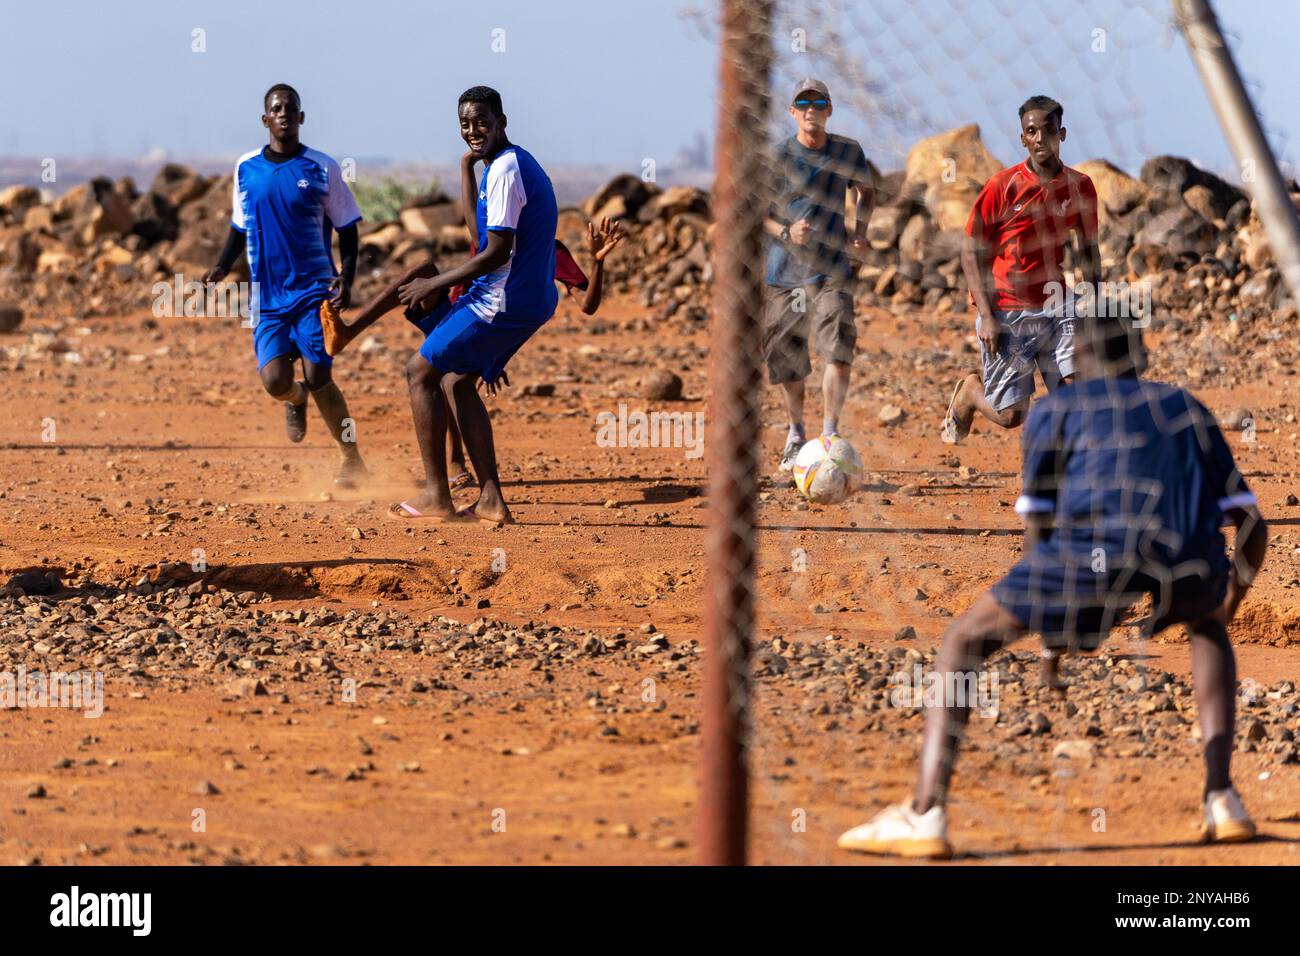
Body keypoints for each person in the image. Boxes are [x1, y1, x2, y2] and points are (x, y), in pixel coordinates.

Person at [840, 312, 1269, 858]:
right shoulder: (1184, 407)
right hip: (1184, 553)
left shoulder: (1057, 411)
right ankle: (1223, 797)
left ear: (1076, 364)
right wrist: (1229, 598)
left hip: (1088, 555)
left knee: (962, 642)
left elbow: (1039, 533)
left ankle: (925, 813)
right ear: (1140, 360)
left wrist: (1051, 629)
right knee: (1208, 630)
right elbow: (1253, 524)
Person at [321, 161, 623, 492]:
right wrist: (467, 166)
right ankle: (348, 331)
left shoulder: (549, 249)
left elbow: (587, 305)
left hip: (486, 321)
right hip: (459, 311)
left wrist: (597, 262)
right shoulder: (494, 233)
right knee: (424, 274)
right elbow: (470, 216)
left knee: (451, 380)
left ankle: (457, 468)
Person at [382, 85, 558, 526]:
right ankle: (491, 500)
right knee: (457, 382)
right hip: (530, 298)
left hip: (502, 298)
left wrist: (434, 284)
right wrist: (468, 165)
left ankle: (437, 495)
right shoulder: (510, 164)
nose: (472, 130)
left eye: (481, 121)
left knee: (419, 372)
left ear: (502, 120)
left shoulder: (504, 171)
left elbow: (496, 252)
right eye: (464, 124)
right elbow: (479, 233)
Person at [203, 83, 368, 489]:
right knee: (276, 381)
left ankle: (351, 459)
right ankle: (296, 401)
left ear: (301, 117)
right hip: (269, 297)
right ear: (264, 119)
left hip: (314, 292)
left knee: (319, 376)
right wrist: (222, 266)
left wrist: (347, 276)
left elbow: (348, 228)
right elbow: (239, 227)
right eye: (275, 109)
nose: (283, 114)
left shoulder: (322, 167)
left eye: (290, 109)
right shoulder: (246, 169)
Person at [942, 94, 1100, 445]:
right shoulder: (1002, 187)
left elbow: (1089, 251)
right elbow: (971, 253)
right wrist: (986, 315)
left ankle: (1065, 467)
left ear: (1062, 133)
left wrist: (1096, 305)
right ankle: (970, 392)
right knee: (1011, 416)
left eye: (1049, 129)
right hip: (1007, 308)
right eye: (1032, 131)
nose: (1041, 138)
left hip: (1057, 304)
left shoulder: (1080, 187)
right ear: (1023, 139)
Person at [763, 78, 874, 471]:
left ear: (829, 110)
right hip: (784, 272)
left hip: (832, 271)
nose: (812, 108)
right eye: (803, 102)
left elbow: (867, 191)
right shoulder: (778, 157)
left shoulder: (847, 151)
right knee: (787, 359)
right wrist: (785, 231)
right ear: (793, 111)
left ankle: (829, 433)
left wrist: (859, 233)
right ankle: (795, 433)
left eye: (819, 102)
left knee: (838, 346)